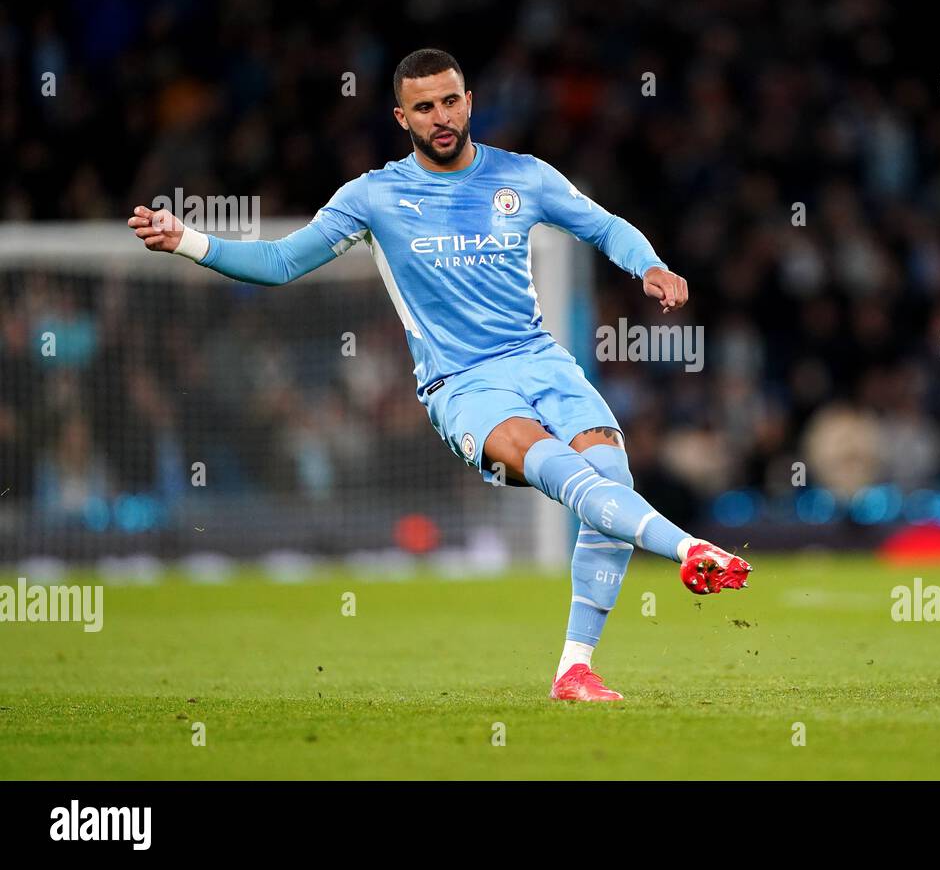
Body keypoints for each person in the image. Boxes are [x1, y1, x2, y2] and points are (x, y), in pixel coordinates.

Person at [127, 48, 751, 702]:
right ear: (403, 117)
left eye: (450, 101)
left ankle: (574, 668)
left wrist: (648, 266)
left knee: (613, 477)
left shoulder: (523, 177)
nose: (441, 116)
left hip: (542, 361)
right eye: (424, 107)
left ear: (469, 100)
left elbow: (604, 225)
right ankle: (688, 550)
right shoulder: (374, 197)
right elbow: (281, 263)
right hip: (463, 385)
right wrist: (189, 242)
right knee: (565, 474)